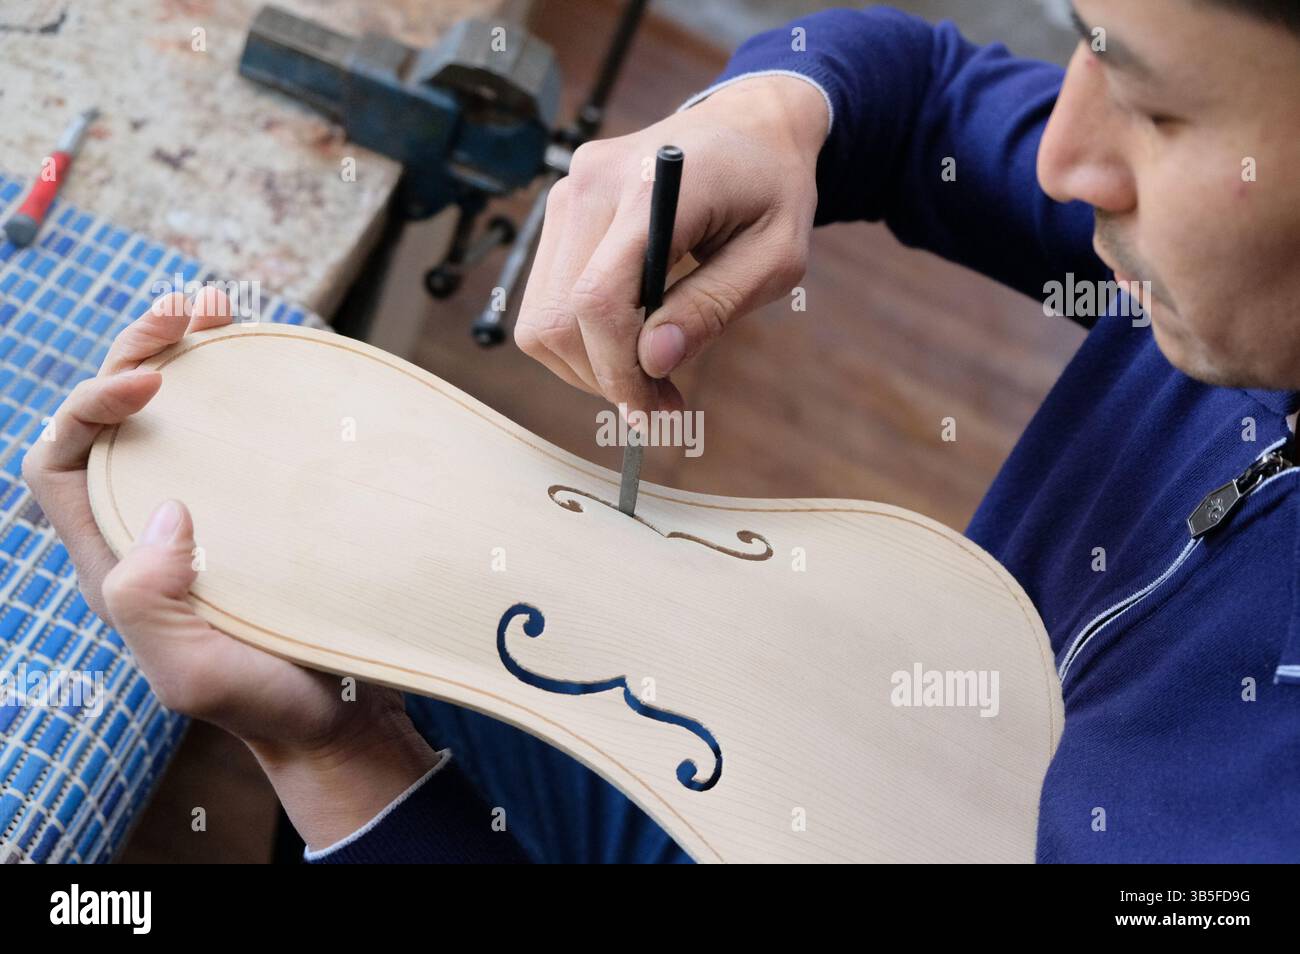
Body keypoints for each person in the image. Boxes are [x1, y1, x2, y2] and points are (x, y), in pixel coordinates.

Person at [25, 0, 1300, 863]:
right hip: (846, 731)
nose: (1066, 156)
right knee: (407, 623)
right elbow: (924, 95)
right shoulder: (1226, 269)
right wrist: (768, 114)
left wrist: (338, 765)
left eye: (1157, 112)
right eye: (1080, 39)